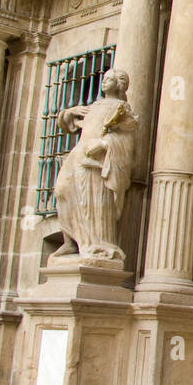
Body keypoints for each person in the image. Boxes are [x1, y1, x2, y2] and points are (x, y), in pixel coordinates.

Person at [53, 68, 139, 264]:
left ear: (119, 85)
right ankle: (70, 240)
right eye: (104, 78)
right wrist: (69, 112)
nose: (103, 82)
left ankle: (95, 242)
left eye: (109, 79)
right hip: (79, 154)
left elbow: (127, 141)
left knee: (92, 201)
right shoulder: (95, 105)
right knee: (61, 190)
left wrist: (103, 144)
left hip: (96, 160)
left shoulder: (121, 108)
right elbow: (70, 124)